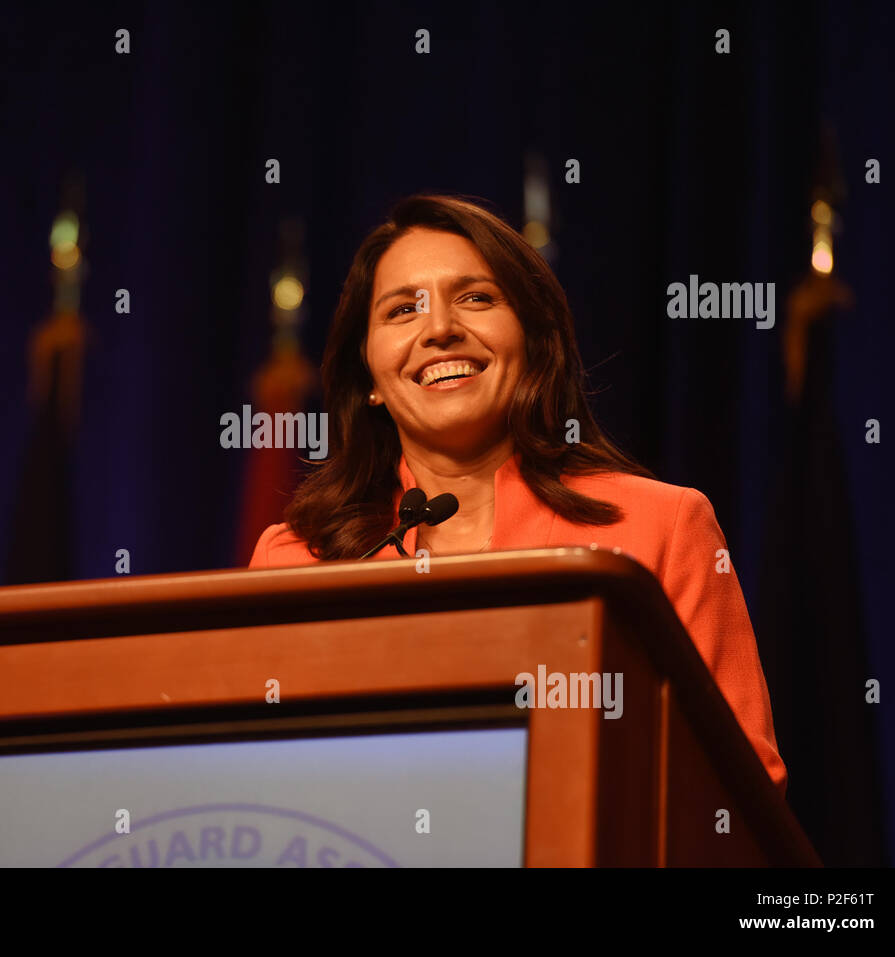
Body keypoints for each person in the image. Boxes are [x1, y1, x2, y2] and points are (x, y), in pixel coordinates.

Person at [248, 194, 787, 794]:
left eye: (476, 298)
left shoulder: (661, 528)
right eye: (402, 310)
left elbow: (740, 792)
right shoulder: (295, 562)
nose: (440, 330)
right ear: (368, 376)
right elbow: (260, 792)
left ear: (532, 338)